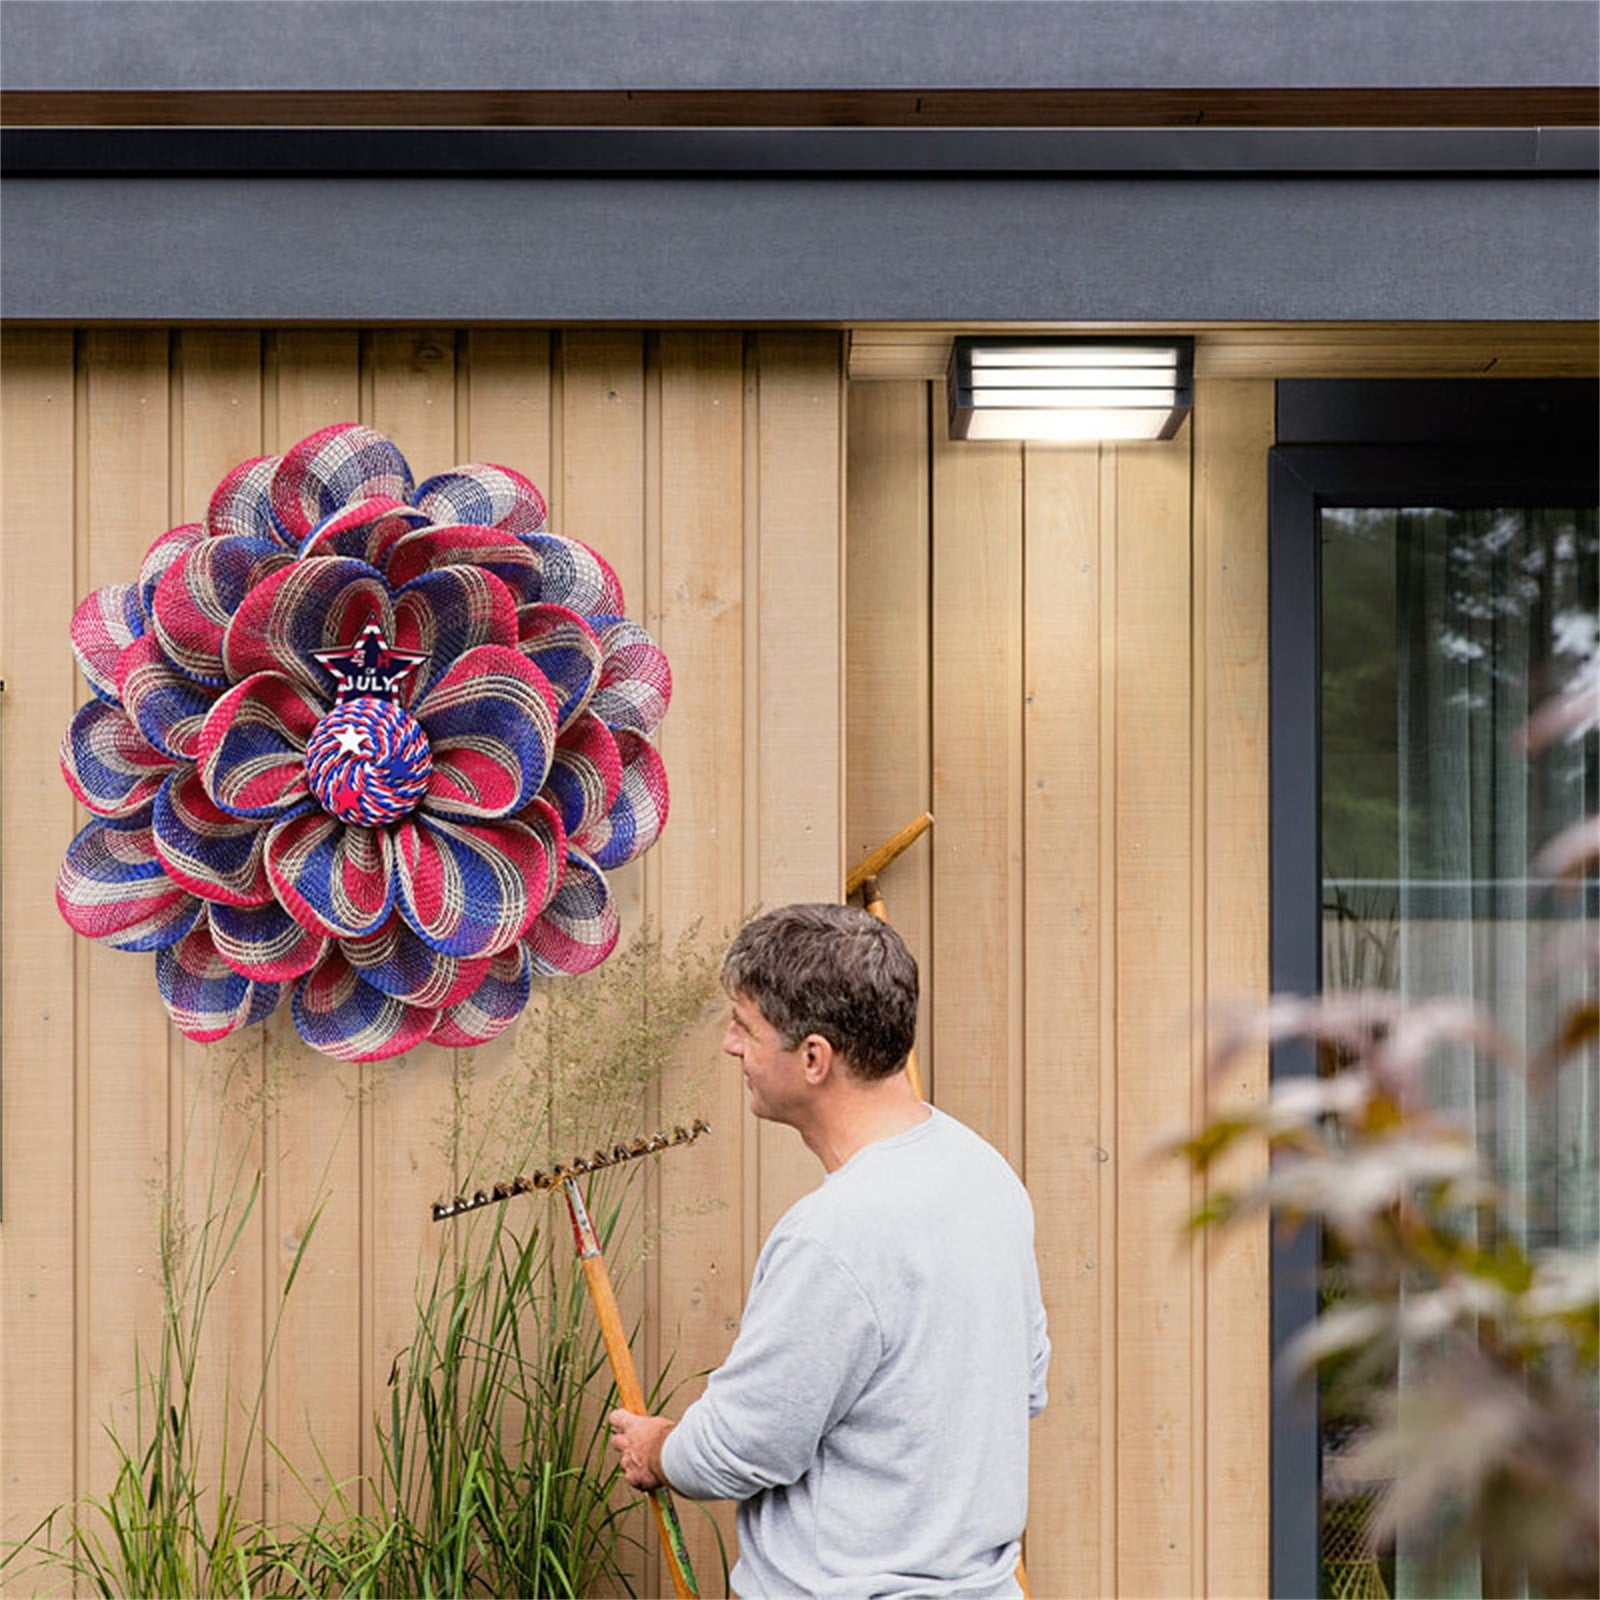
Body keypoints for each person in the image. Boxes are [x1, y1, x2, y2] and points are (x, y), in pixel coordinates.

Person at [609, 903, 1050, 1598]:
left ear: (814, 1058)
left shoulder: (837, 1234)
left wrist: (659, 1449)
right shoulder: (983, 1172)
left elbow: (741, 1448)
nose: (730, 1045)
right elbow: (1026, 1384)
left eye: (745, 1027)